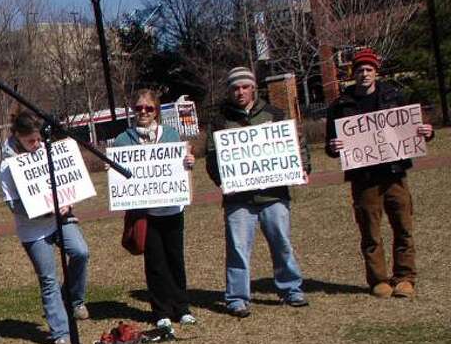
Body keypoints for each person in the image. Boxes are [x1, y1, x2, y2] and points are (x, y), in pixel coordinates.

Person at [324, 48, 435, 299]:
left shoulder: (394, 97)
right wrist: (333, 147)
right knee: (370, 231)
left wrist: (426, 131)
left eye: (369, 70)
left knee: (403, 226)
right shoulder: (340, 106)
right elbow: (332, 144)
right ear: (353, 73)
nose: (364, 74)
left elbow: (415, 128)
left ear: (376, 72)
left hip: (394, 173)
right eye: (360, 70)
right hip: (364, 179)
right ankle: (378, 280)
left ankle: (405, 278)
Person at [205, 66, 310, 317]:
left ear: (253, 88)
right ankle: (237, 297)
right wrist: (223, 180)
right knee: (238, 248)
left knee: (282, 243)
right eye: (235, 88)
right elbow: (211, 157)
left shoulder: (275, 114)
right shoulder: (220, 120)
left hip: (274, 194)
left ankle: (291, 289)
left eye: (244, 87)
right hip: (238, 198)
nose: (240, 92)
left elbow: (296, 142)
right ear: (229, 91)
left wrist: (304, 166)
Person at [0, 111, 91, 344]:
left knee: (80, 252)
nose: (37, 145)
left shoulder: (46, 151)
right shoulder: (7, 166)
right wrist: (46, 210)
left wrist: (69, 201)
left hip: (61, 219)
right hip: (33, 232)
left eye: (39, 140)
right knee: (48, 279)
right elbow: (13, 205)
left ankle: (73, 299)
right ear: (17, 136)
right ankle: (60, 332)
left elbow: (67, 179)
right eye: (31, 141)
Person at [110, 90, 197, 328]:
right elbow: (118, 175)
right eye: (139, 108)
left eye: (149, 108)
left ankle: (182, 307)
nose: (144, 112)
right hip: (145, 213)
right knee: (155, 263)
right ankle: (161, 312)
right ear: (133, 111)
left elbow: (181, 164)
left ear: (156, 110)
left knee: (175, 260)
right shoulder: (122, 141)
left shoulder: (170, 134)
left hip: (172, 208)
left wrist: (188, 161)